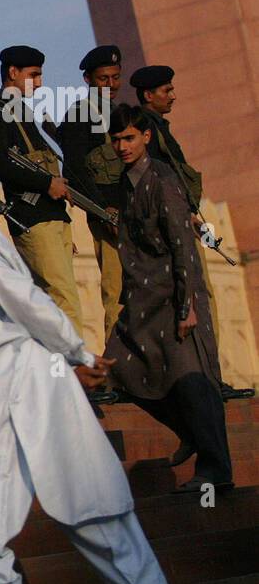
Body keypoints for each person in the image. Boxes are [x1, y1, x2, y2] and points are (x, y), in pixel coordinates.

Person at [0, 151, 188, 584]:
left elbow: (28, 300)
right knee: (63, 494)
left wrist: (76, 350)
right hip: (12, 384)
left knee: (62, 494)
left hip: (15, 382)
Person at [103, 106, 233, 492]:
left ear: (145, 137)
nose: (121, 146)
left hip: (174, 296)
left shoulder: (163, 180)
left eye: (128, 138)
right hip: (144, 298)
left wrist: (187, 306)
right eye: (116, 139)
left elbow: (184, 248)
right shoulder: (126, 182)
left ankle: (215, 473)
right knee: (118, 369)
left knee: (194, 383)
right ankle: (190, 434)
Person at [130, 64, 253, 403]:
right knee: (193, 299)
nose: (172, 96)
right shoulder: (147, 133)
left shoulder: (156, 129)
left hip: (180, 223)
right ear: (148, 95)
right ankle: (207, 382)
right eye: (166, 90)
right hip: (171, 232)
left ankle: (206, 380)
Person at [0, 47, 85, 337]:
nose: (38, 83)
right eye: (33, 75)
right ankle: (76, 372)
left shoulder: (21, 112)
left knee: (58, 298)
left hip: (51, 218)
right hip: (32, 218)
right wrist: (46, 184)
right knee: (63, 299)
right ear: (13, 73)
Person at [60, 45, 124, 339]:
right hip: (109, 218)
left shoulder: (122, 115)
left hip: (134, 216)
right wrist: (103, 210)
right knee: (118, 294)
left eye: (115, 77)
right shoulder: (80, 116)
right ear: (88, 80)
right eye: (103, 79)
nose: (110, 85)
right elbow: (73, 171)